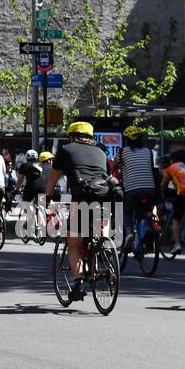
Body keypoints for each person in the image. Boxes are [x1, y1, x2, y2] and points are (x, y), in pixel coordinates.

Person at [46, 122, 119, 302]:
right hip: (104, 196)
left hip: (82, 199)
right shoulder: (101, 152)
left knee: (73, 243)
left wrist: (47, 198)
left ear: (71, 135)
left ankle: (78, 282)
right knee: (99, 225)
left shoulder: (66, 150)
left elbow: (53, 178)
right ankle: (103, 248)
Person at [115, 126, 159, 247]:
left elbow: (112, 168)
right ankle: (150, 225)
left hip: (131, 189)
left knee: (127, 211)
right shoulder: (148, 151)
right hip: (150, 188)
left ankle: (129, 234)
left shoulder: (122, 151)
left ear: (127, 140)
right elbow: (150, 168)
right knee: (146, 210)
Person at [160, 150, 185, 258]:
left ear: (173, 160)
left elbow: (163, 185)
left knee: (176, 219)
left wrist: (160, 194)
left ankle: (177, 244)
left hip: (182, 195)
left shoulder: (171, 168)